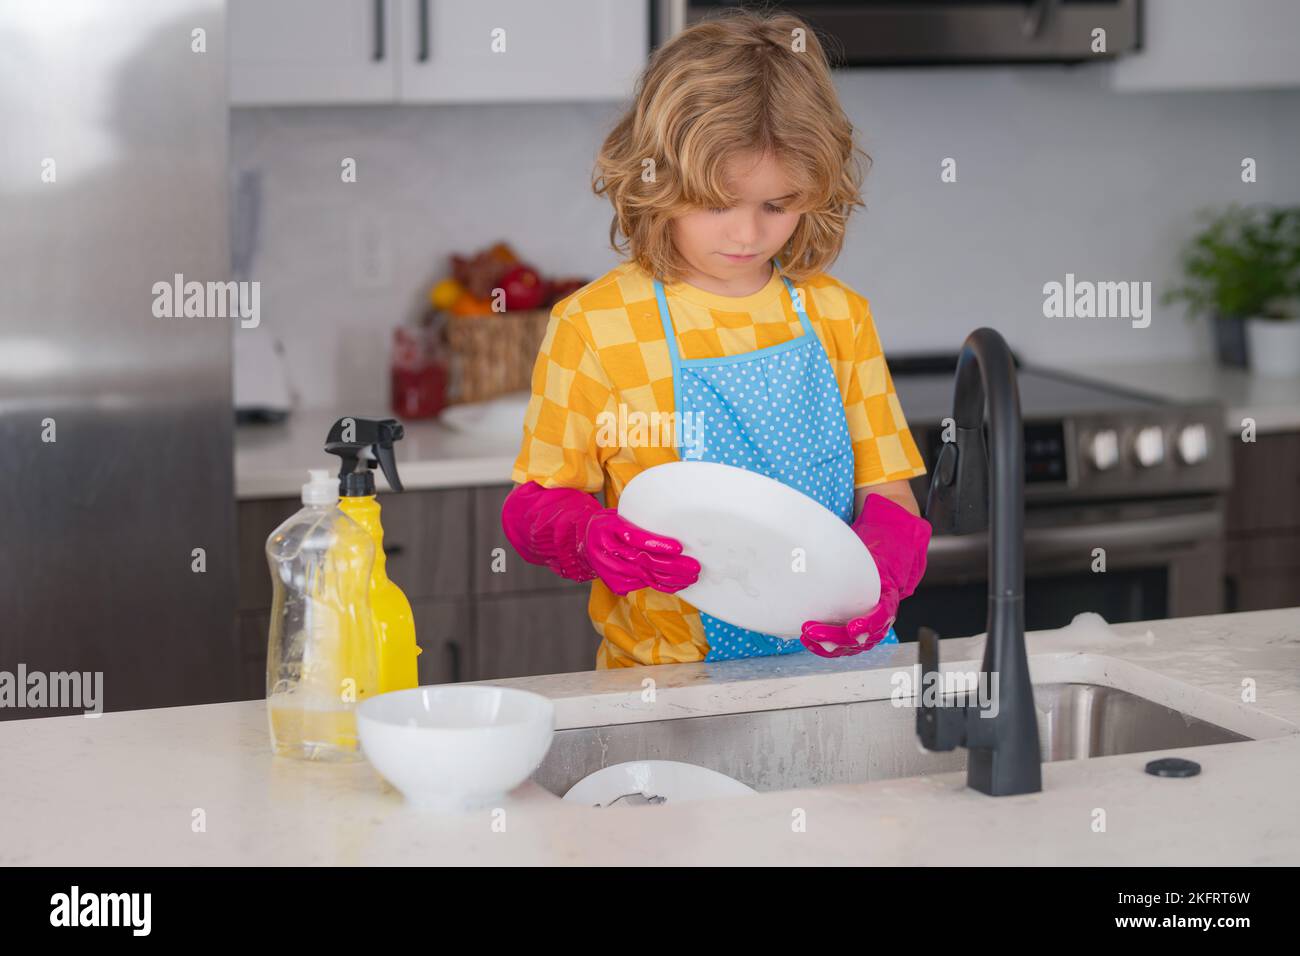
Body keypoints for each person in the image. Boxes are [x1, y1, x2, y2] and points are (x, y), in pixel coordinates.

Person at [502, 9, 932, 668]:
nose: (747, 236)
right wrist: (591, 536)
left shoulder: (837, 316)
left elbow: (887, 491)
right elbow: (534, 504)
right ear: (654, 181)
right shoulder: (594, 326)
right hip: (668, 684)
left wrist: (883, 572)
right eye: (714, 203)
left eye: (777, 205)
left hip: (836, 667)